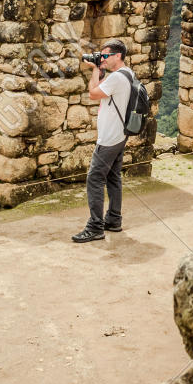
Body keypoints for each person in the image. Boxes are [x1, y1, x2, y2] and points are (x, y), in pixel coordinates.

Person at [71, 39, 132, 243]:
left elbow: (93, 93)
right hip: (120, 135)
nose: (103, 58)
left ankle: (95, 226)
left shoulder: (116, 79)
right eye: (101, 55)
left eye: (106, 55)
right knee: (113, 177)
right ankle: (114, 219)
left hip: (109, 138)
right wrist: (101, 67)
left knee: (94, 179)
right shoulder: (127, 74)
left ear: (118, 56)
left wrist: (96, 70)